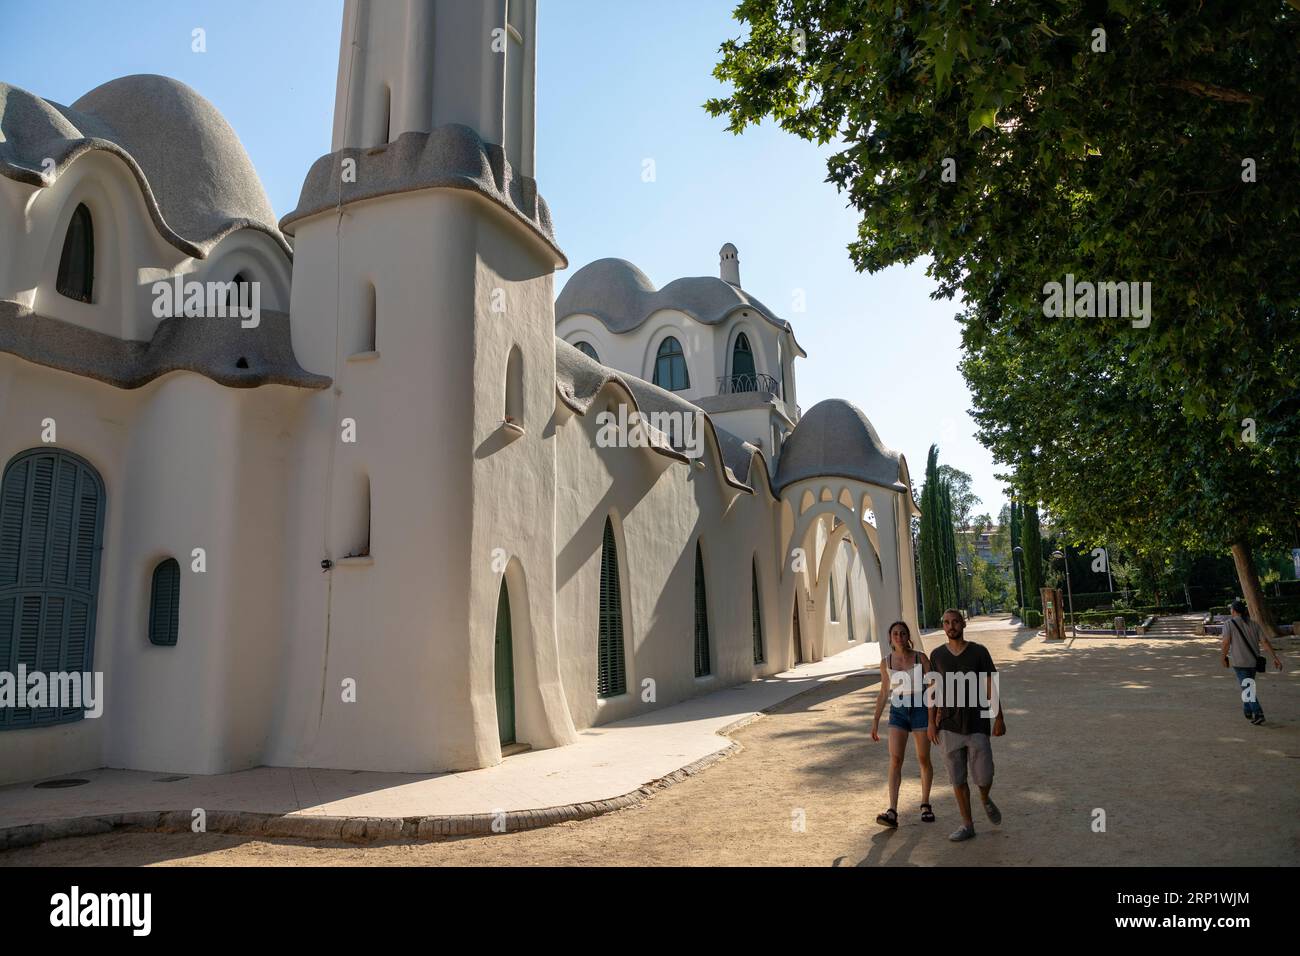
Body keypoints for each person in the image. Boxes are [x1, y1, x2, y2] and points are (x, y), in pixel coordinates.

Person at [928, 609, 1005, 842]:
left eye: (955, 622)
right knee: (958, 779)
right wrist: (931, 722)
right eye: (946, 623)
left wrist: (999, 717)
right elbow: (932, 689)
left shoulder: (979, 652)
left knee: (984, 776)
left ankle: (984, 796)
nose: (951, 626)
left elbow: (991, 685)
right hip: (949, 725)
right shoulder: (937, 655)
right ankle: (967, 825)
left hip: (977, 722)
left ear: (963, 624)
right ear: (943, 626)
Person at [870, 621, 935, 827]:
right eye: (895, 633)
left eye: (903, 633)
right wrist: (875, 720)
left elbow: (934, 686)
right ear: (890, 637)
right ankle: (892, 811)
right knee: (896, 759)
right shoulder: (886, 662)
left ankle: (925, 804)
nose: (899, 636)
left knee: (923, 758)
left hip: (920, 709)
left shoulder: (920, 657)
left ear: (908, 636)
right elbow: (883, 692)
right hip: (898, 711)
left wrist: (935, 716)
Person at [1220, 598, 1283, 725]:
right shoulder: (1254, 624)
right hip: (1253, 662)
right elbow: (1264, 642)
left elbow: (1226, 643)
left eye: (1231, 609)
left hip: (1240, 663)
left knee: (1247, 689)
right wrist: (1275, 658)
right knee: (1247, 686)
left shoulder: (1229, 624)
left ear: (1234, 611)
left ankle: (1258, 713)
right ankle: (1247, 710)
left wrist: (1223, 657)